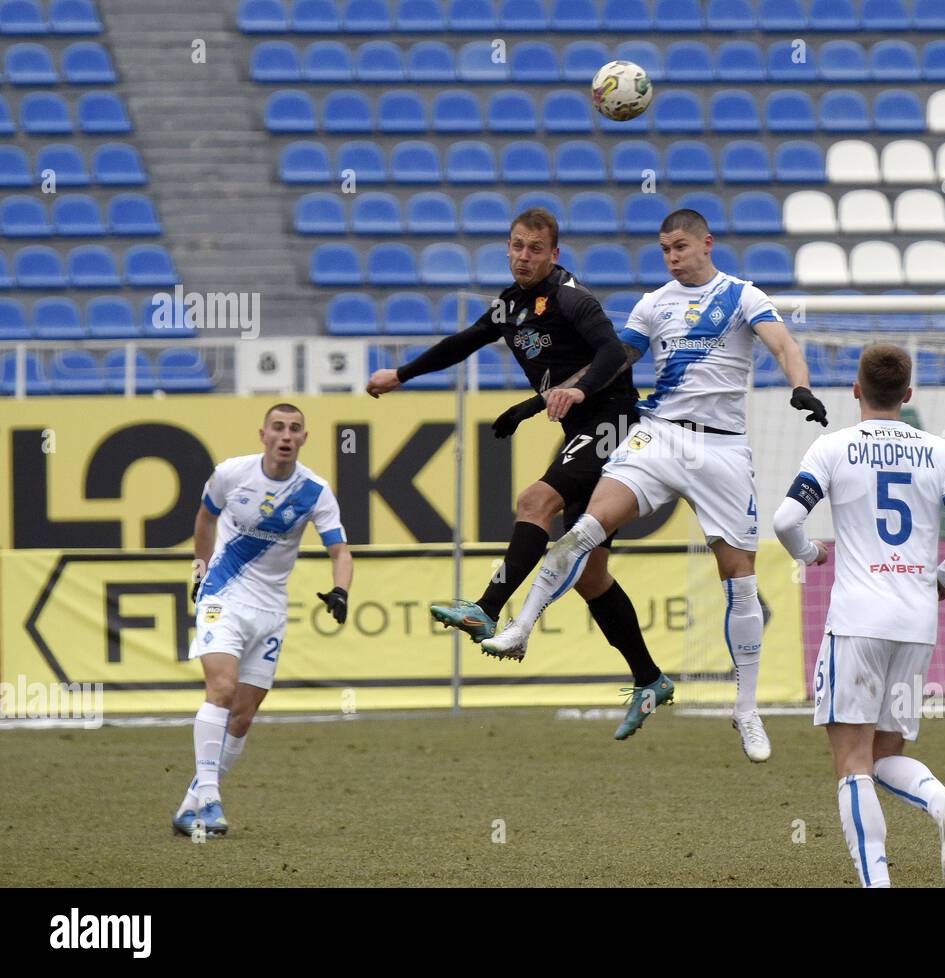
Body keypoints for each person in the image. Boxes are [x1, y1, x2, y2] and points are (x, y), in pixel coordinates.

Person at [483, 208, 829, 763]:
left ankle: (746, 709)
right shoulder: (654, 302)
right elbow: (615, 358)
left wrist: (801, 386)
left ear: (706, 243)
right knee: (586, 530)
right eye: (665, 249)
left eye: (680, 246)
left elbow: (783, 344)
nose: (672, 256)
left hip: (722, 449)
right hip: (658, 436)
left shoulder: (742, 295)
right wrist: (556, 395)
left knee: (739, 579)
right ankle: (522, 626)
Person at [366, 208, 671, 741]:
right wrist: (401, 374)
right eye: (516, 246)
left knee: (535, 502)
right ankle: (651, 679)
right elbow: (463, 341)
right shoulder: (508, 305)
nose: (523, 256)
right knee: (592, 577)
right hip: (582, 422)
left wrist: (562, 396)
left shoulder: (574, 298)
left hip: (615, 420)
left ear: (554, 254)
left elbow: (615, 354)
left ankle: (486, 609)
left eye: (535, 249)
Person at [772, 344, 945, 887]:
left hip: (856, 620)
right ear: (908, 395)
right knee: (885, 755)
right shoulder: (938, 450)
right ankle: (941, 804)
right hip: (916, 625)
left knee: (851, 763)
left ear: (855, 389)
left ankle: (877, 883)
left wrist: (807, 554)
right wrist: (944, 578)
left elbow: (785, 519)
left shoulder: (832, 447)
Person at [173, 403, 352, 837]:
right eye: (278, 428)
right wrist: (200, 566)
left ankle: (189, 805)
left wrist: (342, 589)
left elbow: (339, 548)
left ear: (304, 438)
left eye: (294, 429)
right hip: (223, 595)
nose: (286, 435)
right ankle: (212, 801)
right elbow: (205, 517)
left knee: (242, 718)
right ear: (263, 435)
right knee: (222, 688)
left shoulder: (314, 491)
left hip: (270, 610)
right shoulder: (232, 474)